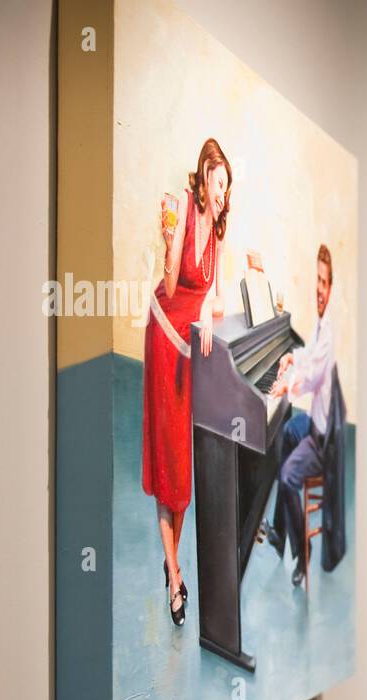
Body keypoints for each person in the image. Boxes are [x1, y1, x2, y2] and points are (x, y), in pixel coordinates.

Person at [142, 137, 230, 626]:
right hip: (163, 341)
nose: (222, 194)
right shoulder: (182, 210)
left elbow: (211, 293)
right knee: (166, 466)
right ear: (205, 176)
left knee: (181, 470)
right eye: (219, 184)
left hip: (187, 347)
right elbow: (173, 285)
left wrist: (209, 314)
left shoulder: (218, 232)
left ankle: (170, 564)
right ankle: (175, 577)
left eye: (227, 188)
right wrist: (168, 237)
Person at [262, 243, 348, 587]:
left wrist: (286, 386)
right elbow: (309, 355)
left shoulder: (332, 330)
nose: (318, 288)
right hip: (314, 424)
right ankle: (281, 533)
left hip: (324, 440)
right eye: (317, 279)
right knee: (285, 433)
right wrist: (290, 359)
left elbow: (313, 375)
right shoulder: (322, 323)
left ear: (333, 286)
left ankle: (303, 550)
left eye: (324, 282)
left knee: (287, 478)